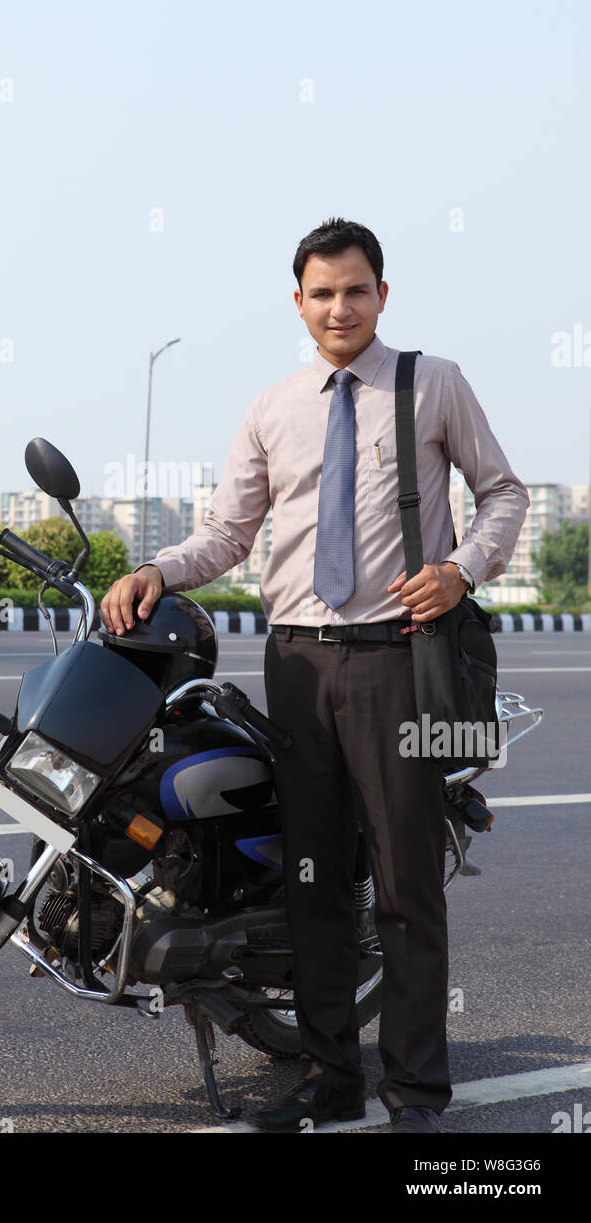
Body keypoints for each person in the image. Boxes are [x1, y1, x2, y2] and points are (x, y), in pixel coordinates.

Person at [99, 217, 528, 1133]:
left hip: (397, 662)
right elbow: (227, 534)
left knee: (405, 886)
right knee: (315, 882)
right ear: (298, 302)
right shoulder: (272, 407)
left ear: (383, 294)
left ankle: (415, 1094)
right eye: (322, 292)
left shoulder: (432, 383)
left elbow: (504, 493)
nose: (341, 306)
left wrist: (465, 568)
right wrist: (157, 570)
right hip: (294, 661)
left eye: (357, 289)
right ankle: (330, 1080)